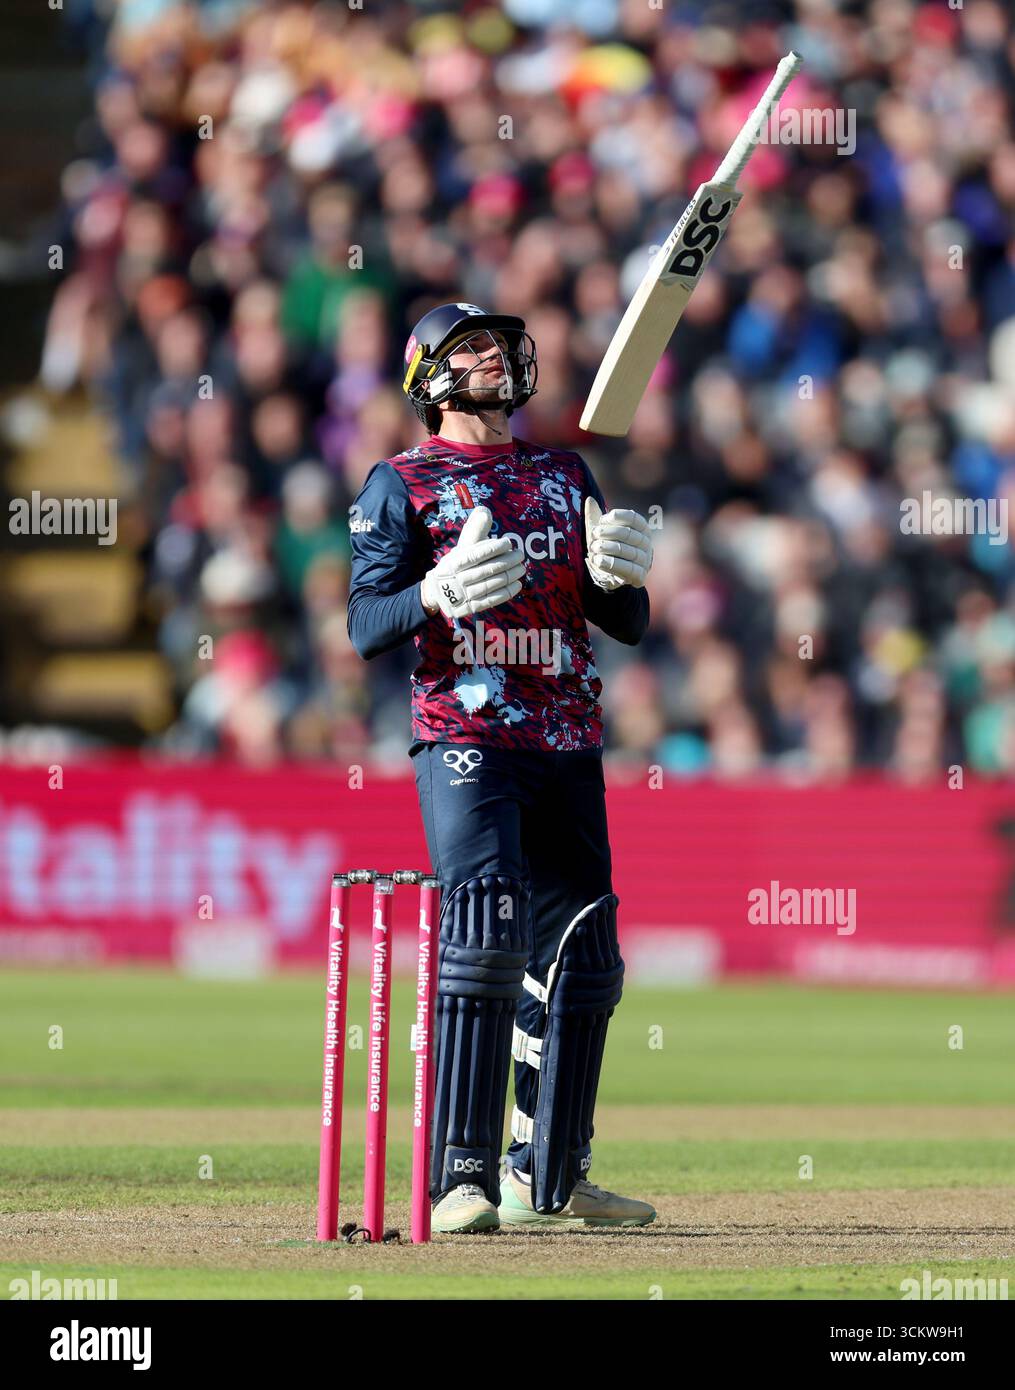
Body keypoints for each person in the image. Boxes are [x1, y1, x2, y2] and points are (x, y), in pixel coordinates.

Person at [347, 303, 656, 1232]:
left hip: (566, 739)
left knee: (589, 957)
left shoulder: (565, 473)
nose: (496, 360)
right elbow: (364, 625)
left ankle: (550, 1178)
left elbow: (627, 624)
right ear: (429, 377)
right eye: (471, 349)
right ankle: (461, 1179)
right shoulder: (399, 483)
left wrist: (623, 576)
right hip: (466, 739)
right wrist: (429, 593)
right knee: (484, 940)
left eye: (502, 346)